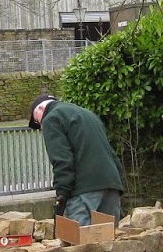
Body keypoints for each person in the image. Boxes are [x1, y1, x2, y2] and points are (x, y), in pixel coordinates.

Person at [28, 93, 124, 226]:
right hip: (111, 184)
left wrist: (62, 193)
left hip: (83, 189)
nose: (41, 127)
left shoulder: (51, 118)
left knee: (79, 237)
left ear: (41, 109)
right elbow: (110, 153)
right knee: (108, 236)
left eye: (37, 121)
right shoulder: (89, 114)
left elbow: (62, 159)